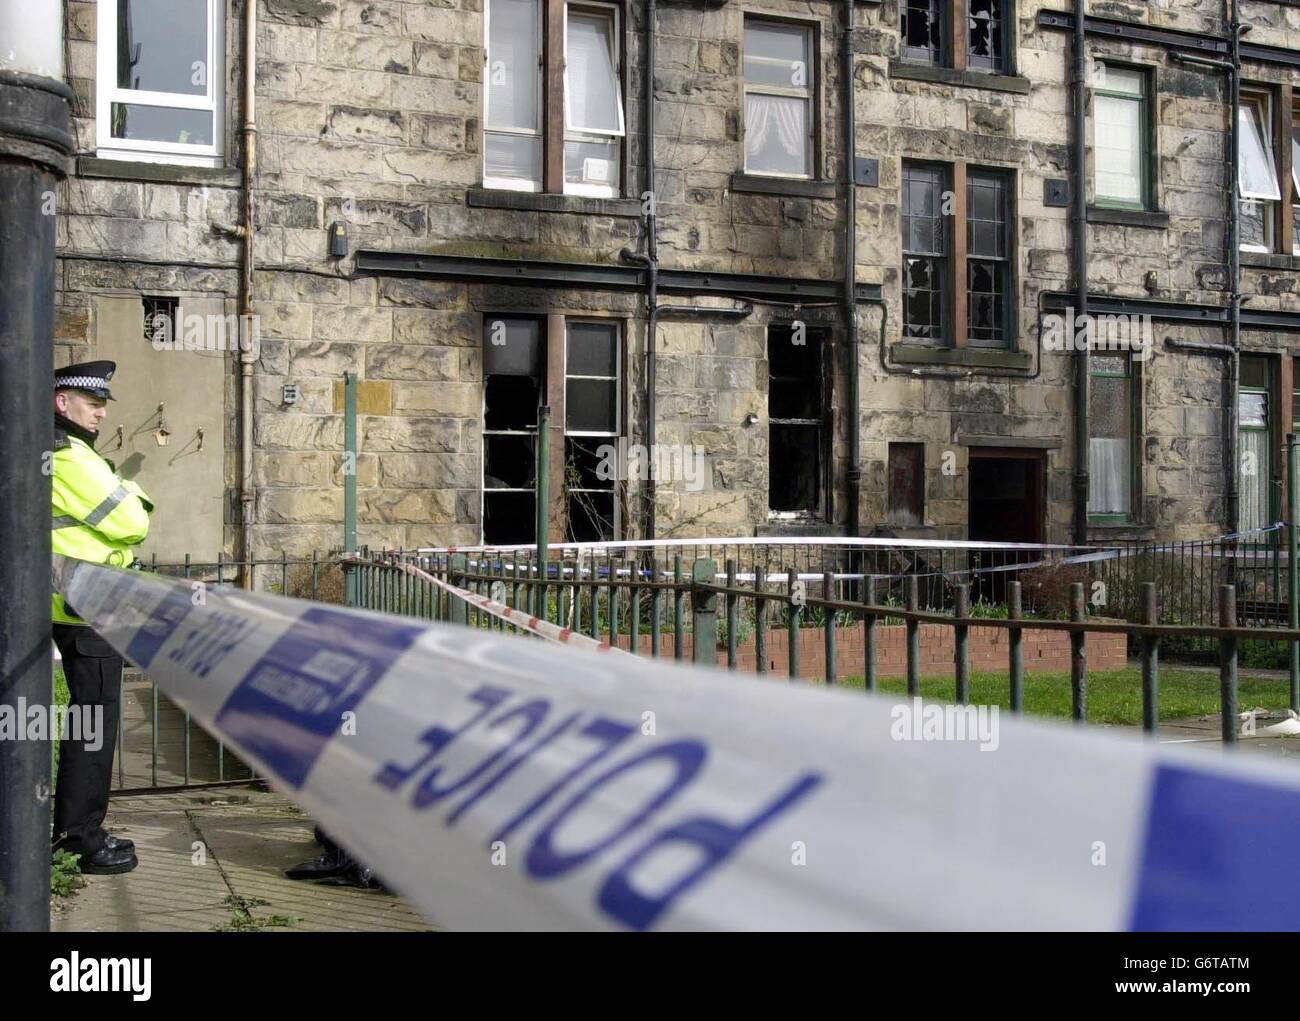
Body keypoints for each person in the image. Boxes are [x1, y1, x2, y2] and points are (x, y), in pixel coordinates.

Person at [51, 360, 154, 875]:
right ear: (62, 401)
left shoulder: (54, 451)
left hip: (68, 603)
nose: (100, 414)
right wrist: (127, 486)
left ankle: (76, 830)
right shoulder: (68, 455)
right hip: (84, 608)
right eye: (92, 404)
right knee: (94, 724)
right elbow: (132, 522)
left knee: (85, 721)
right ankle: (79, 839)